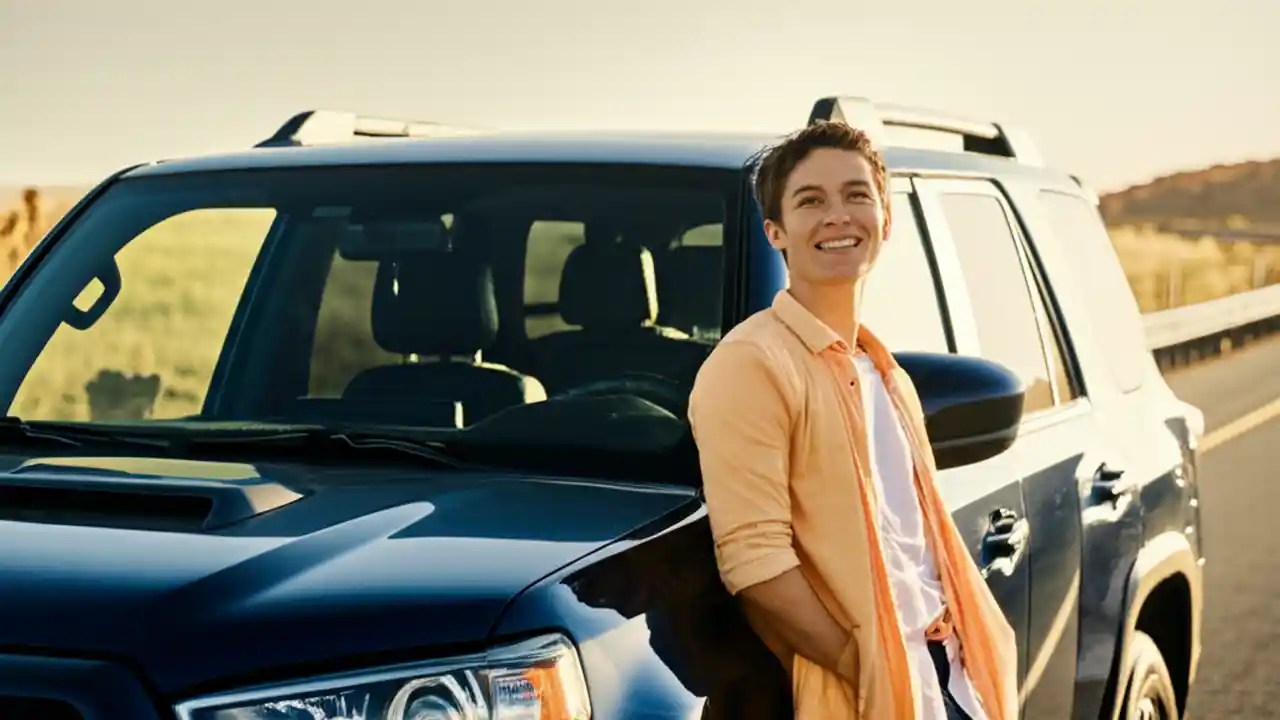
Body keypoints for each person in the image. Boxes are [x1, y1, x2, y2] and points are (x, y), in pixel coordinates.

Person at [686, 121, 1019, 719]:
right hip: (875, 689)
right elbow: (755, 561)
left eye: (856, 195)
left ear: (886, 221)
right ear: (775, 231)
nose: (837, 215)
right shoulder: (751, 363)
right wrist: (865, 666)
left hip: (949, 675)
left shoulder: (887, 374)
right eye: (811, 201)